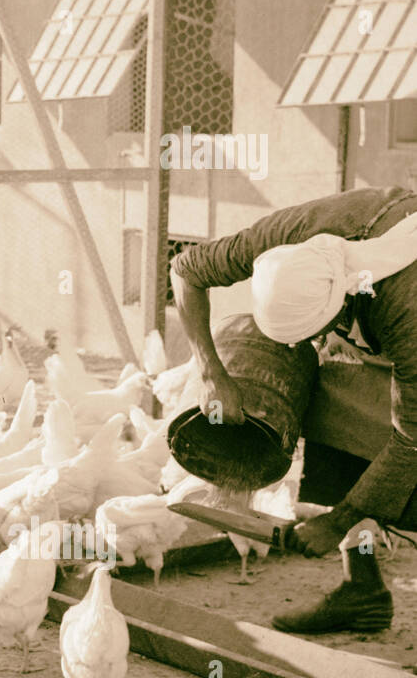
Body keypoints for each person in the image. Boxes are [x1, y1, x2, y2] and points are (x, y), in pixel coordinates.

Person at [171, 186, 417, 634]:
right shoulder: (287, 236)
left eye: (306, 334)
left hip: (408, 325)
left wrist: (335, 520)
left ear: (339, 304)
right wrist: (212, 374)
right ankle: (361, 589)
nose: (295, 348)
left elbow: (412, 438)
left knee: (408, 475)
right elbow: (185, 270)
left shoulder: (407, 304)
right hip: (386, 318)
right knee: (334, 398)